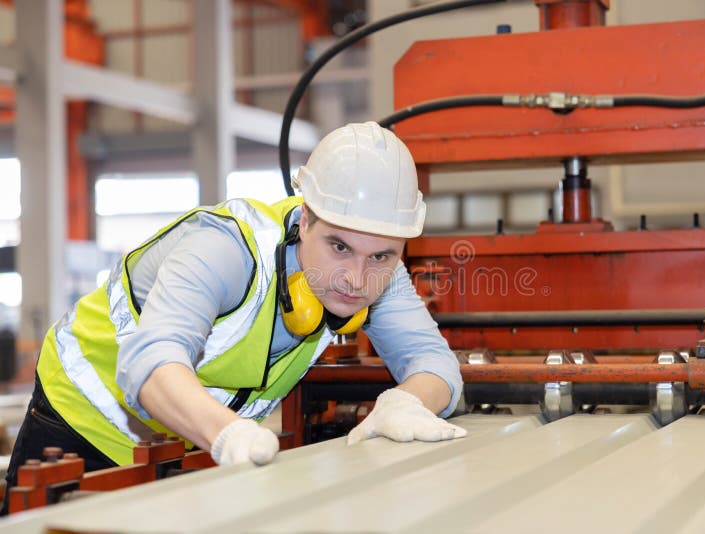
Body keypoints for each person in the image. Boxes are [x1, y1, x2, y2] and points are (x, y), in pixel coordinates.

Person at [1, 121, 465, 510]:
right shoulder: (228, 250)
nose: (358, 280)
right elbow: (151, 362)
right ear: (306, 220)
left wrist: (406, 401)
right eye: (339, 247)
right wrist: (228, 435)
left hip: (189, 444)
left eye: (382, 257)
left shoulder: (378, 273)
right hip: (78, 427)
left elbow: (435, 362)